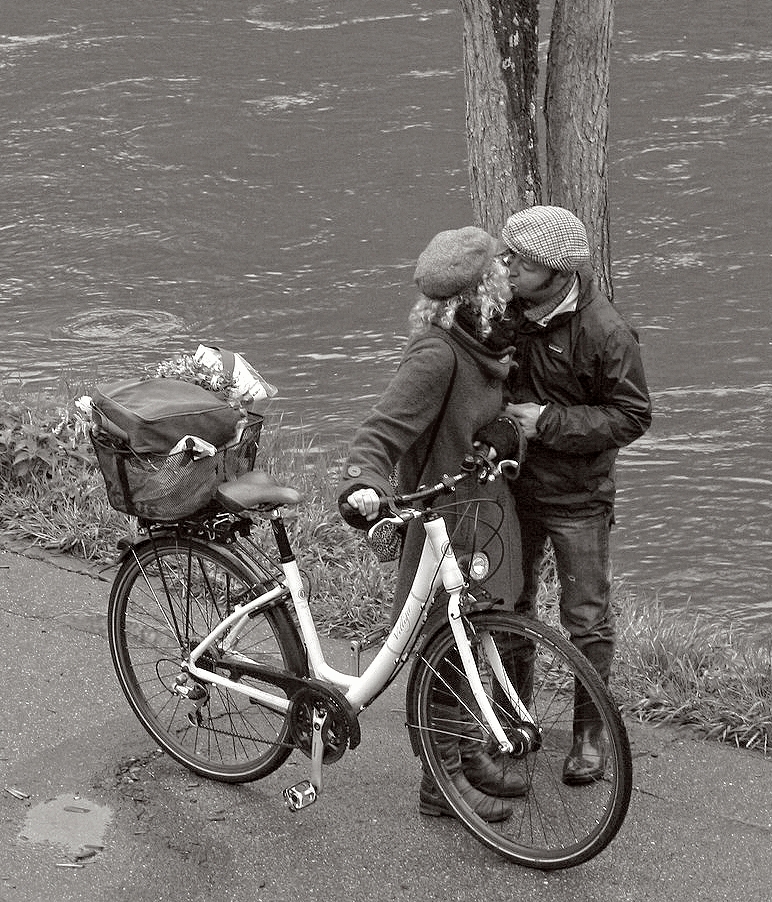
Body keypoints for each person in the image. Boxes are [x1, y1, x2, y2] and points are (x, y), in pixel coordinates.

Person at [338, 226, 526, 822]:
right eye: (499, 272)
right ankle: (438, 779)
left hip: (487, 514)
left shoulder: (487, 341)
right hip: (448, 519)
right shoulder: (438, 353)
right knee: (446, 651)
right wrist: (363, 483)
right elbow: (381, 431)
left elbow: (496, 415)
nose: (508, 278)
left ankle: (470, 752)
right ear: (479, 290)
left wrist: (505, 432)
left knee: (478, 638)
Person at [499, 205, 652, 785]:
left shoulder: (606, 331)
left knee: (585, 619)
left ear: (557, 272)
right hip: (511, 489)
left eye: (521, 260)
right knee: (508, 606)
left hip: (578, 499)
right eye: (507, 253)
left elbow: (633, 416)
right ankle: (515, 717)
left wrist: (549, 423)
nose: (506, 266)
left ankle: (592, 735)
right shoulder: (507, 308)